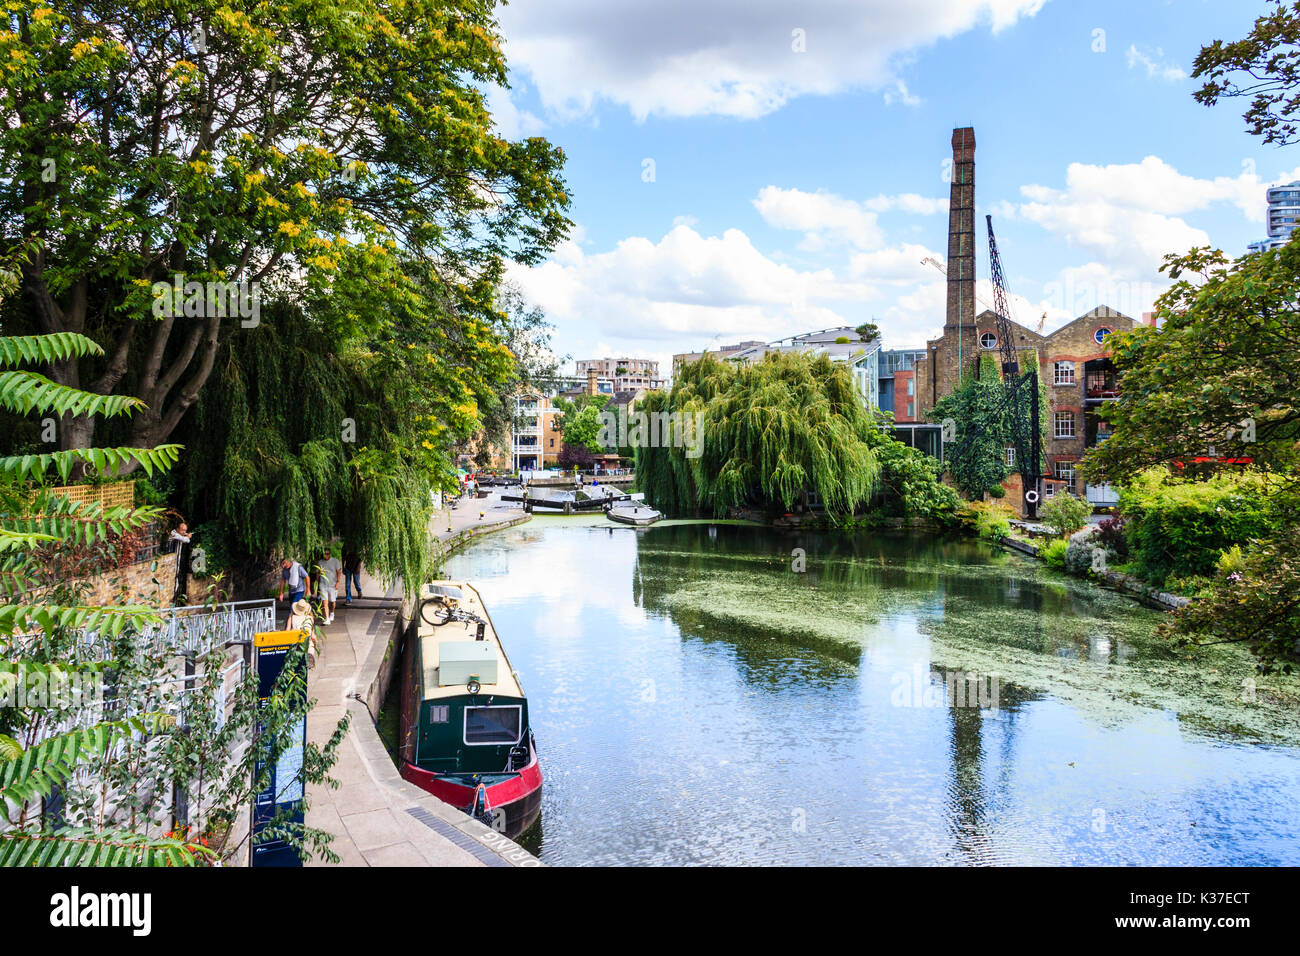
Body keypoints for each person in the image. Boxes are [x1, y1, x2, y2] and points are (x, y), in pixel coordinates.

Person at [316, 547, 342, 625]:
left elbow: (338, 572)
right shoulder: (320, 562)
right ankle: (327, 618)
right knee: (325, 602)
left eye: (327, 554)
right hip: (323, 584)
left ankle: (332, 612)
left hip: (332, 585)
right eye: (324, 554)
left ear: (330, 554)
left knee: (332, 602)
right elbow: (318, 573)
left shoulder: (335, 561)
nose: (326, 555)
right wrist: (317, 582)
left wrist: (337, 582)